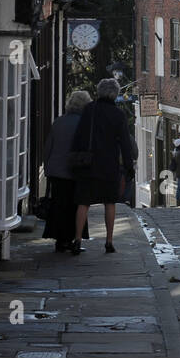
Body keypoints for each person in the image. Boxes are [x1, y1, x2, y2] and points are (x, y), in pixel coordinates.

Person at [71, 78, 135, 255]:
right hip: (108, 165)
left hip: (88, 163)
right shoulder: (118, 114)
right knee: (109, 202)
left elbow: (79, 136)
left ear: (99, 91)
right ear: (115, 94)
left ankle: (77, 239)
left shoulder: (89, 110)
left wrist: (75, 158)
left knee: (83, 202)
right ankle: (109, 241)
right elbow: (125, 144)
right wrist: (129, 167)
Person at [43, 90, 92, 252]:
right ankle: (72, 239)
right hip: (75, 172)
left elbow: (48, 147)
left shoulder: (58, 122)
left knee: (59, 206)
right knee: (74, 207)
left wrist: (47, 167)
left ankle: (60, 240)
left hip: (56, 172)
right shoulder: (85, 124)